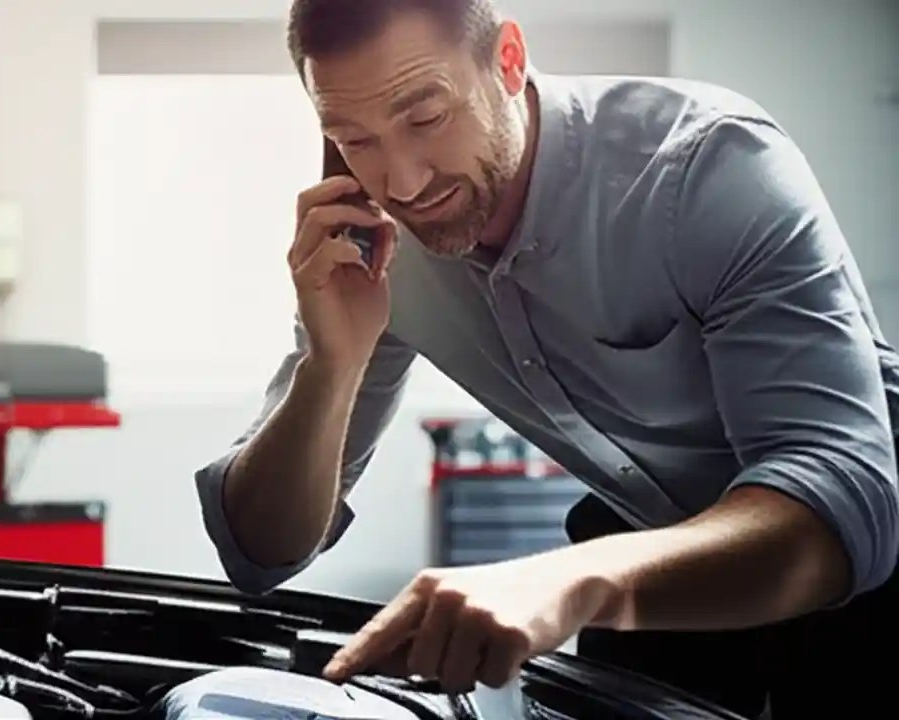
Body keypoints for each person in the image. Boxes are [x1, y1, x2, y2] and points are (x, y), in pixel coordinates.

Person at [193, 0, 899, 716]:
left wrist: (557, 585)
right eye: (354, 139)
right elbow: (260, 553)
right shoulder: (377, 249)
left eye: (426, 117)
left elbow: (841, 508)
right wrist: (332, 364)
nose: (401, 185)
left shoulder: (707, 166)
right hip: (649, 561)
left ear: (507, 60)